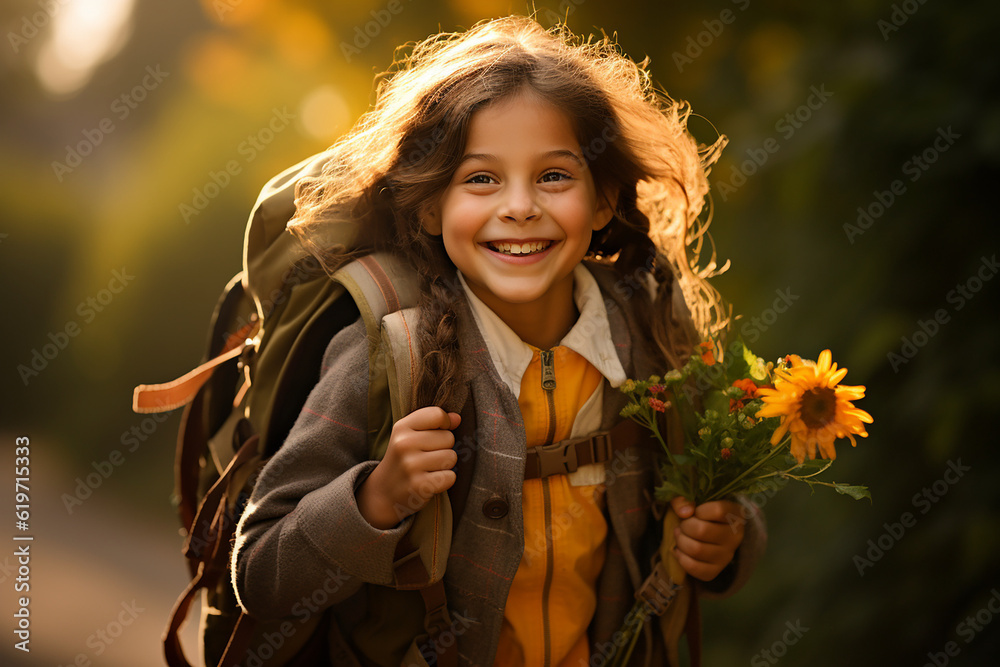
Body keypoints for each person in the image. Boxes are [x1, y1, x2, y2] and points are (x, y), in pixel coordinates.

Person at [231, 15, 764, 667]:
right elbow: (260, 573)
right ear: (431, 207)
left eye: (554, 177)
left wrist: (726, 543)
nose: (519, 206)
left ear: (603, 202)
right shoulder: (388, 353)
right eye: (481, 178)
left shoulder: (650, 344)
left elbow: (721, 504)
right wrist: (377, 497)